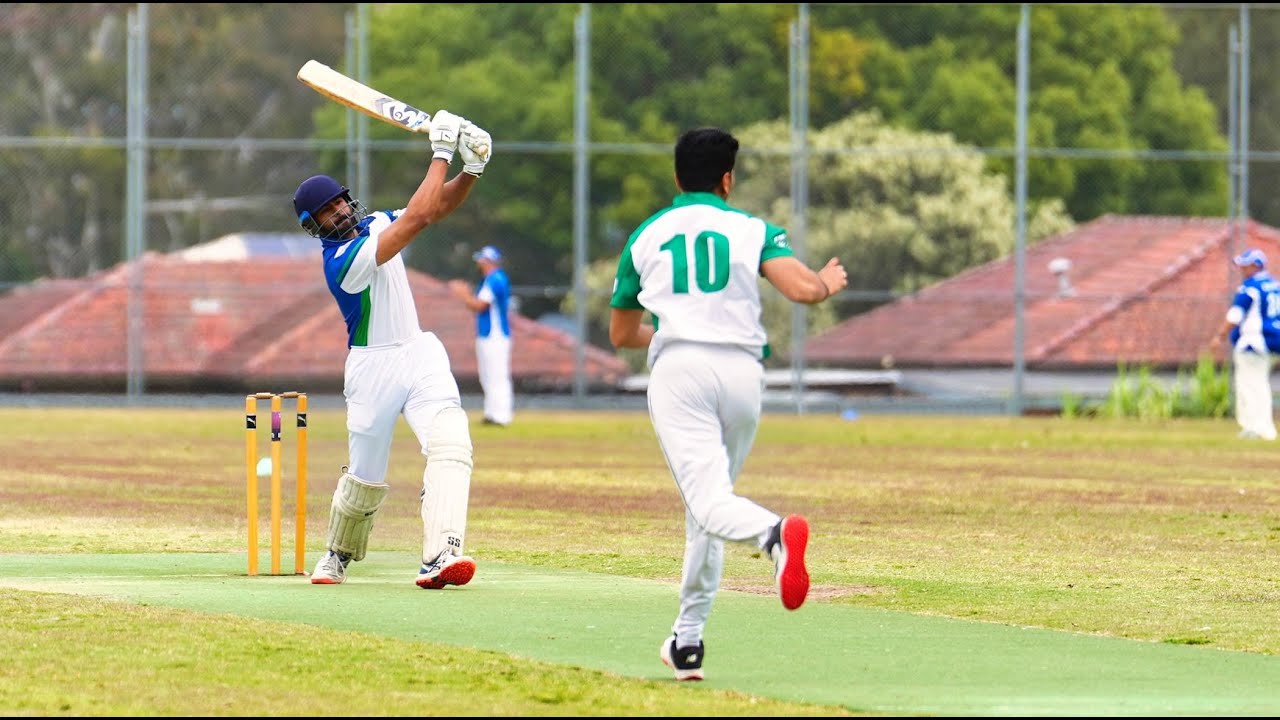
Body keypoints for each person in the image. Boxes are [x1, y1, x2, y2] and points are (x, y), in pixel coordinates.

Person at [607, 126, 848, 681]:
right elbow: (804, 291)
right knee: (709, 506)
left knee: (711, 503)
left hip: (681, 372)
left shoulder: (647, 234)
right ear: (728, 180)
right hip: (743, 375)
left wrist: (672, 326)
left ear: (676, 177)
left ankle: (773, 534)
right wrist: (829, 283)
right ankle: (687, 641)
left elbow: (622, 333)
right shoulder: (751, 229)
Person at [290, 110, 493, 588]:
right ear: (314, 226)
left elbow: (436, 207)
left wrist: (472, 168)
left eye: (340, 203)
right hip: (371, 368)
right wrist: (442, 152)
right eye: (327, 212)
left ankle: (441, 555)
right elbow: (419, 216)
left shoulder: (378, 221)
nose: (339, 212)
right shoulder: (340, 262)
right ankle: (338, 553)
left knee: (451, 446)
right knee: (365, 475)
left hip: (420, 355)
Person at [1211, 247, 1280, 440]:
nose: (1242, 269)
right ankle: (1263, 427)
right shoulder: (1275, 286)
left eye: (1245, 265)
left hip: (1253, 343)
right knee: (1260, 384)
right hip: (1273, 343)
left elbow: (1235, 315)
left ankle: (1256, 428)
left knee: (1250, 385)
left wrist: (1220, 335)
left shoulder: (1250, 288)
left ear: (1255, 266)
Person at [448, 244, 515, 427]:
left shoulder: (495, 279)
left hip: (496, 335)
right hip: (487, 334)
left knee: (497, 375)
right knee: (487, 375)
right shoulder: (489, 280)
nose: (479, 264)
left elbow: (479, 305)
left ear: (488, 261)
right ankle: (492, 413)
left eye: (482, 260)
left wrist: (462, 294)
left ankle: (502, 416)